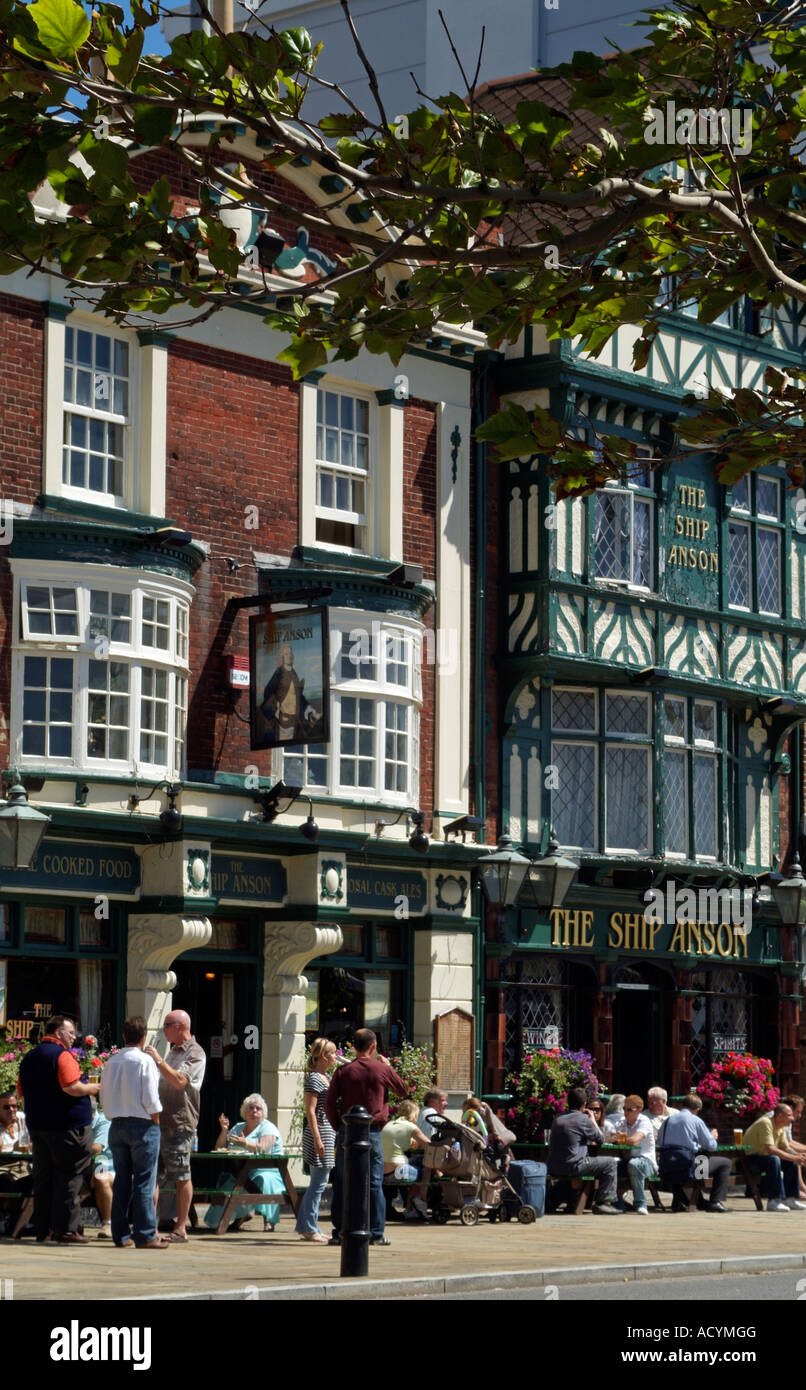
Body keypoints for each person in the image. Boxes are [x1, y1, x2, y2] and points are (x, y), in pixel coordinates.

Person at [17, 1014, 99, 1244]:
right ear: (58, 1033)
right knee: (70, 1176)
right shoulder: (62, 1055)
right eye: (71, 1032)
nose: (74, 1037)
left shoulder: (29, 1057)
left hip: (39, 1127)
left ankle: (43, 1229)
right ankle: (66, 1229)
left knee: (43, 1177)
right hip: (68, 1128)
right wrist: (93, 1088)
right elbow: (71, 1087)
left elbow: (21, 1092)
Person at [324, 1027, 408, 1247]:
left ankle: (339, 1231)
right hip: (372, 1132)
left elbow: (329, 1104)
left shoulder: (343, 1072)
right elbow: (403, 1090)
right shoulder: (381, 1069)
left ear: (353, 1046)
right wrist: (389, 1067)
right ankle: (376, 1232)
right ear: (373, 1046)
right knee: (374, 1182)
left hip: (346, 1131)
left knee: (342, 1181)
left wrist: (338, 1126)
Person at [99, 1015, 166, 1249]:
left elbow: (103, 1096)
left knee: (121, 1181)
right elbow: (151, 1098)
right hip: (142, 1124)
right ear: (144, 1036)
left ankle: (121, 1235)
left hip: (116, 1124)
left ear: (125, 1036)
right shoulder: (145, 1061)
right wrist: (156, 1120)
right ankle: (146, 1235)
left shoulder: (111, 1062)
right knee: (144, 1181)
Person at [144, 1009, 206, 1243]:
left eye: (167, 1024)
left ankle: (181, 1227)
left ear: (181, 1026)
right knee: (153, 1175)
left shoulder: (195, 1053)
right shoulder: (172, 1052)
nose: (163, 1029)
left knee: (181, 1174)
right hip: (159, 1119)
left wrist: (158, 1060)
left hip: (180, 1122)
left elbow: (180, 1082)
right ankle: (151, 1226)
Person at [205, 1094, 285, 1232]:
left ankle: (269, 1220)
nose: (254, 1111)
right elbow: (219, 1148)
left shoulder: (268, 1128)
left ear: (263, 1112)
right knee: (230, 1184)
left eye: (258, 1108)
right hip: (242, 1172)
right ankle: (237, 1216)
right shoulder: (238, 1127)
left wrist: (245, 1143)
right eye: (251, 1108)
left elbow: (262, 1149)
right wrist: (224, 1131)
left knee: (263, 1180)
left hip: (267, 1170)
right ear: (244, 1111)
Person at [547, 1086, 621, 1214]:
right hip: (574, 1165)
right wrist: (592, 1120)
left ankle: (569, 1200)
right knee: (610, 1163)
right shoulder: (583, 1119)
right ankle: (603, 1203)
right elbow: (601, 1140)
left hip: (553, 1166)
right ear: (584, 1104)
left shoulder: (558, 1118)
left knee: (583, 1164)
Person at [295, 1037, 338, 1244]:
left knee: (319, 1182)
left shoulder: (326, 1077)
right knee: (318, 1183)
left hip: (327, 1131)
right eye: (333, 1053)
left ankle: (307, 1226)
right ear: (323, 1056)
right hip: (319, 1131)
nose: (336, 1056)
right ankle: (309, 1228)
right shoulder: (314, 1078)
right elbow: (310, 1112)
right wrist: (318, 1139)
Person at [657, 1093, 730, 1212]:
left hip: (666, 1168)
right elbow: (711, 1146)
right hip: (688, 1168)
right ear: (697, 1110)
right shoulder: (696, 1120)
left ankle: (681, 1201)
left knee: (678, 1161)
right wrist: (712, 1136)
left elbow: (660, 1142)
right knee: (724, 1163)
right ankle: (715, 1201)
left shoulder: (667, 1121)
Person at [743, 1102, 806, 1211]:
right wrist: (794, 1157)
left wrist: (798, 1156)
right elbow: (771, 1149)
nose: (792, 1118)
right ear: (780, 1116)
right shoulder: (765, 1123)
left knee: (791, 1161)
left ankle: (790, 1199)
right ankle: (774, 1201)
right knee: (774, 1159)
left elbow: (785, 1147)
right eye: (789, 1115)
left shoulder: (781, 1126)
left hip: (765, 1159)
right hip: (750, 1160)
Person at [259, 643, 318, 745]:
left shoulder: (294, 674)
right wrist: (274, 712)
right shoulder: (279, 673)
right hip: (282, 722)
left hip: (294, 721)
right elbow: (268, 693)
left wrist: (309, 710)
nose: (289, 656)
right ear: (282, 657)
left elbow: (298, 696)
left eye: (290, 653)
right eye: (286, 654)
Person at [381, 1099, 430, 1220]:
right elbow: (429, 1145)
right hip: (399, 1172)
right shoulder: (411, 1127)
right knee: (426, 1166)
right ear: (414, 1114)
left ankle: (410, 1206)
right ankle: (418, 1202)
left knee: (418, 1161)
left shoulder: (389, 1124)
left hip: (383, 1172)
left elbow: (395, 1145)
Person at [608, 1095, 657, 1214]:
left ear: (639, 1110)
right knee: (609, 1165)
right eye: (624, 1109)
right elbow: (610, 1139)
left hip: (646, 1162)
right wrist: (613, 1138)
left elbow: (635, 1140)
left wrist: (619, 1139)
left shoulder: (644, 1121)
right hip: (627, 1160)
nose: (626, 1112)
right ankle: (615, 1202)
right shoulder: (621, 1122)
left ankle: (641, 1204)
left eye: (630, 1110)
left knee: (634, 1164)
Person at [0, 1089, 32, 1231]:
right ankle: (10, 1220)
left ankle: (24, 1220)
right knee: (7, 1181)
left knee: (35, 1180)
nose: (11, 1110)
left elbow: (34, 1142)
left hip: (23, 1165)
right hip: (3, 1166)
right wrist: (14, 1146)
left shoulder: (22, 1118)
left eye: (14, 1106)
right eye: (6, 1107)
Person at [89, 1103, 115, 1239]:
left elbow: (98, 1148)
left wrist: (73, 1146)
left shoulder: (102, 1121)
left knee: (101, 1178)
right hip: (89, 1165)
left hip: (108, 1164)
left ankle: (107, 1223)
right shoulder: (77, 1122)